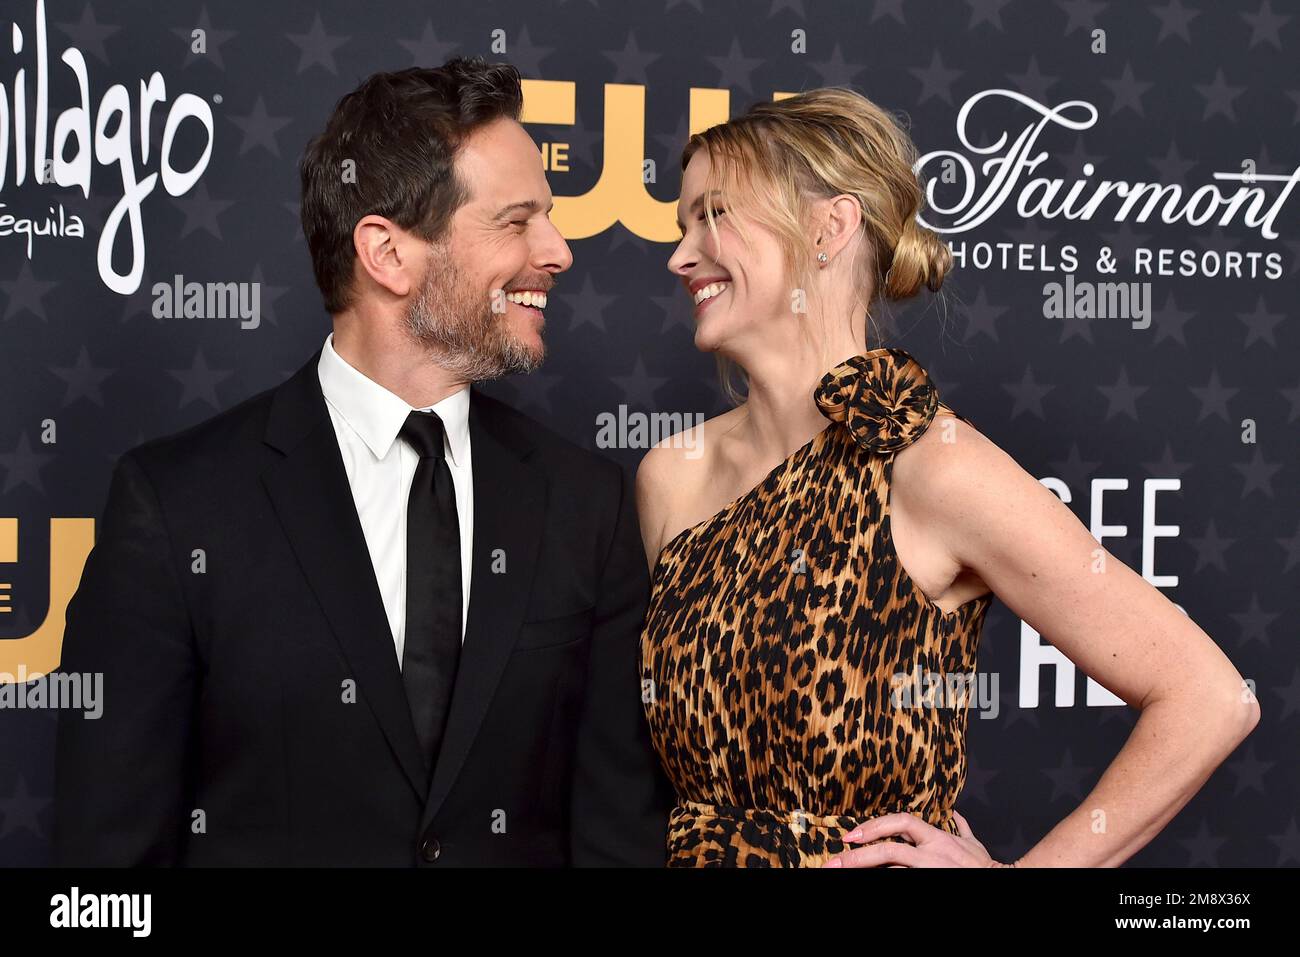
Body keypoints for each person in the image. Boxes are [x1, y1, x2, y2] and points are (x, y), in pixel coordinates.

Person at [53, 57, 672, 867]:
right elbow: (105, 873)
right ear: (387, 252)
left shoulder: (584, 503)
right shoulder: (177, 506)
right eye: (517, 221)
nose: (557, 251)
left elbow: (617, 840)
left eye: (548, 218)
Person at [636, 87, 1260, 868]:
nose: (681, 255)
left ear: (829, 227)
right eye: (682, 225)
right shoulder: (672, 474)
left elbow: (1210, 697)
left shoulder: (932, 464)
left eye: (714, 216)